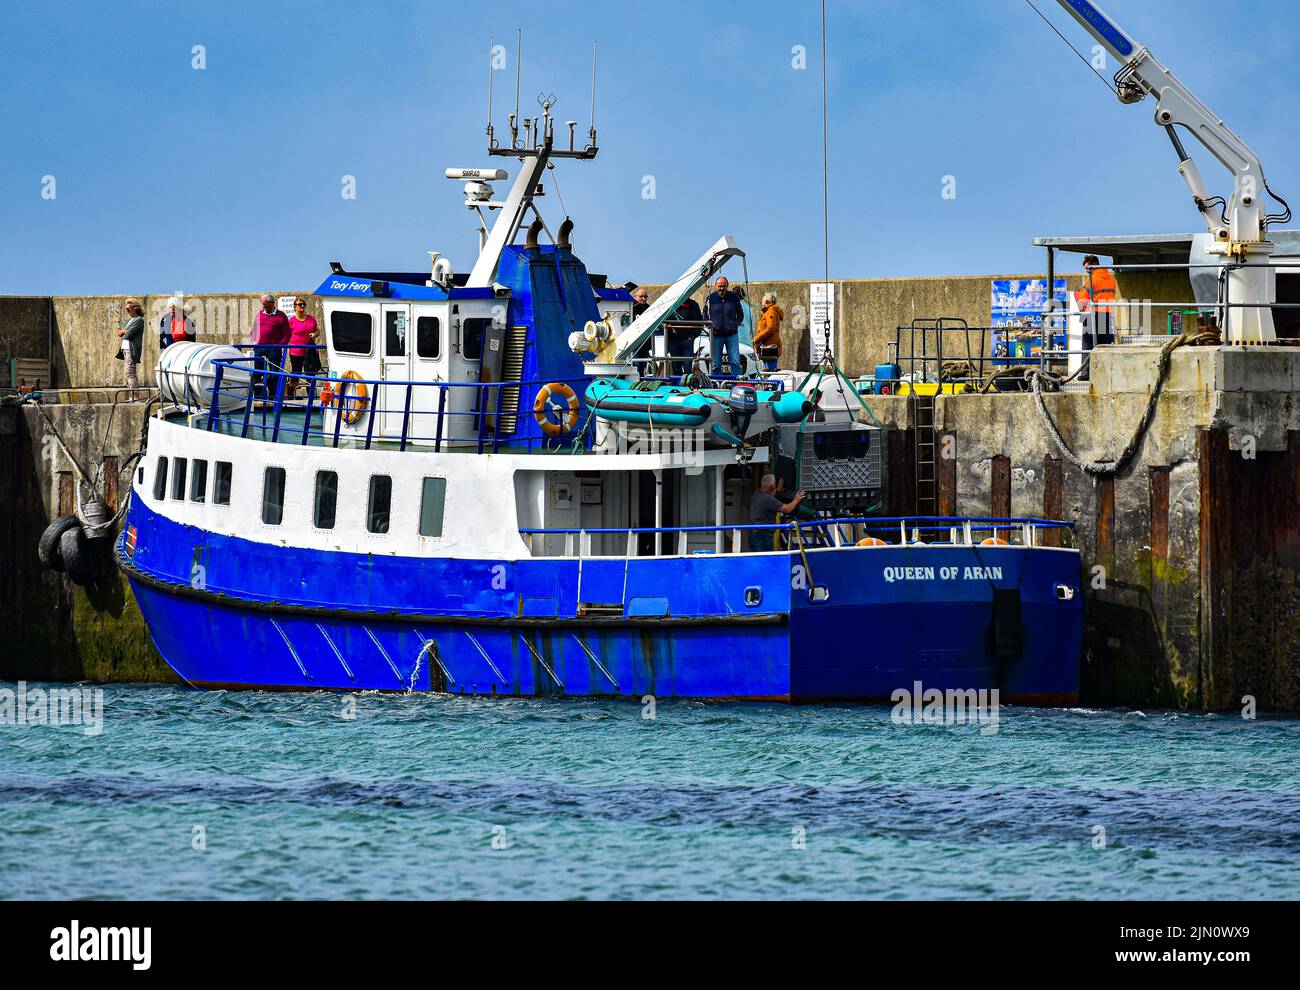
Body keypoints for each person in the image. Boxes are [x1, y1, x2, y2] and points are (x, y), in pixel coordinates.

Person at [748, 474, 805, 552]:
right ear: (771, 486)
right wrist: (796, 500)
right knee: (767, 561)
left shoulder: (757, 494)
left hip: (755, 535)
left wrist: (777, 490)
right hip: (763, 537)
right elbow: (787, 509)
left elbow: (770, 494)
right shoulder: (767, 499)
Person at [252, 293, 292, 398]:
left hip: (274, 348)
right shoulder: (260, 314)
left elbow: (287, 333)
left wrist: (279, 345)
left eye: (265, 304)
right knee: (257, 371)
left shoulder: (281, 316)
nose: (263, 306)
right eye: (263, 304)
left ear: (272, 303)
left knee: (274, 372)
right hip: (259, 348)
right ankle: (258, 396)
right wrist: (254, 341)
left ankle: (273, 396)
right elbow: (254, 330)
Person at [705, 276, 745, 377]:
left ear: (727, 286)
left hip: (731, 335)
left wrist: (734, 325)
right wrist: (711, 327)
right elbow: (704, 315)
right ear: (716, 286)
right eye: (719, 286)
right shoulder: (710, 298)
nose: (721, 288)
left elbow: (740, 315)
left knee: (735, 362)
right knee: (716, 364)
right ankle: (716, 384)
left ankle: (736, 384)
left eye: (723, 286)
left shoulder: (734, 297)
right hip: (716, 335)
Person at [663, 295, 704, 376]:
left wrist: (692, 336)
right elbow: (664, 320)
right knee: (676, 366)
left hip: (687, 341)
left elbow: (699, 322)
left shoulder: (693, 304)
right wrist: (670, 330)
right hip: (673, 341)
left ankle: (687, 385)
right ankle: (678, 385)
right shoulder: (671, 304)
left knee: (687, 366)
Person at [286, 296, 319, 397]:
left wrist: (314, 334)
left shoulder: (311, 319)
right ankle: (290, 396)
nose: (302, 306)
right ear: (295, 307)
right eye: (299, 305)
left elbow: (317, 331)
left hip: (309, 352)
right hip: (296, 352)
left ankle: (311, 396)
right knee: (296, 374)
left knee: (310, 374)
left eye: (303, 305)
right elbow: (286, 334)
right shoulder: (291, 321)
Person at [115, 298, 145, 400]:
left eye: (128, 309)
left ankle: (135, 396)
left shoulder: (139, 320)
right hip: (125, 349)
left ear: (135, 309)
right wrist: (124, 331)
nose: (127, 311)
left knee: (129, 372)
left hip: (131, 349)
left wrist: (124, 331)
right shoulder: (130, 320)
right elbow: (119, 333)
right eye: (126, 309)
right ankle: (133, 395)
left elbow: (128, 335)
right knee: (130, 372)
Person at [754, 292, 784, 371]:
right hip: (767, 346)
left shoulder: (771, 312)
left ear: (767, 302)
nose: (761, 303)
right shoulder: (768, 312)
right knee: (767, 371)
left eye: (762, 301)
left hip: (770, 346)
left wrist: (756, 339)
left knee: (770, 372)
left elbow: (770, 328)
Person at [629, 286, 654, 363]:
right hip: (634, 339)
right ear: (636, 296)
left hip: (645, 340)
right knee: (635, 361)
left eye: (645, 296)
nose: (643, 298)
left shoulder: (649, 307)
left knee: (643, 362)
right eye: (641, 296)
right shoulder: (631, 305)